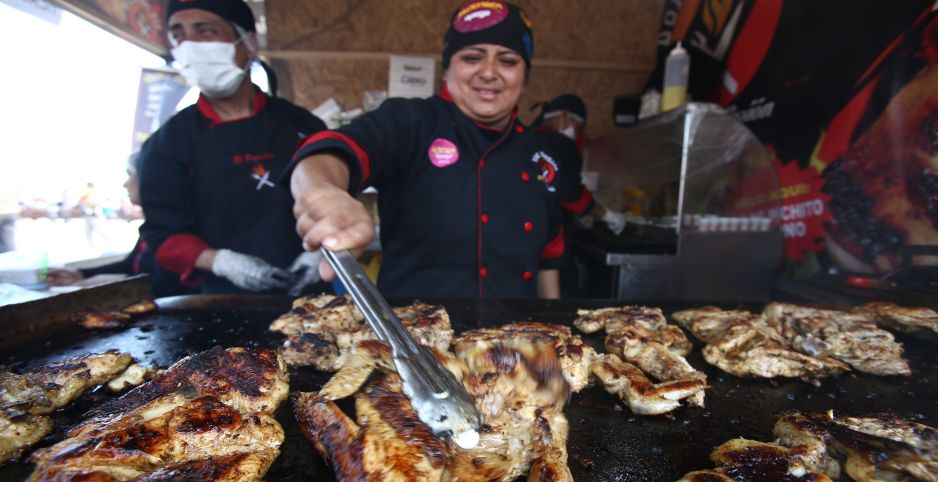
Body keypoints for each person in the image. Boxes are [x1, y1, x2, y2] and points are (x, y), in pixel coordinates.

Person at [288, 0, 565, 299]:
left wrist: (554, 322)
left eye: (508, 61)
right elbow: (334, 150)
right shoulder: (411, 122)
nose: (489, 72)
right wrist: (323, 190)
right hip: (412, 337)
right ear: (447, 69)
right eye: (472, 57)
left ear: (524, 77)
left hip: (515, 340)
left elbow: (549, 256)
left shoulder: (540, 154)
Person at [138, 0, 327, 296]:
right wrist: (221, 262)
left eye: (206, 31)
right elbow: (164, 234)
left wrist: (322, 251)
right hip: (220, 301)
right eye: (178, 35)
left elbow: (336, 197)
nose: (190, 45)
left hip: (310, 292)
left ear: (248, 42)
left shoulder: (304, 125)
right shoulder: (167, 144)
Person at [45, 152, 192, 297]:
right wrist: (81, 274)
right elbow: (130, 264)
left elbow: (173, 286)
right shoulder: (153, 224)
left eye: (130, 175)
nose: (125, 184)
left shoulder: (177, 227)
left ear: (151, 178)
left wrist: (122, 280)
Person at [530, 94, 626, 296]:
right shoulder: (563, 145)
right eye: (578, 125)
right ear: (565, 116)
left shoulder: (524, 138)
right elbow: (572, 196)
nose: (578, 132)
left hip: (523, 246)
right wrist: (608, 215)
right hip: (552, 245)